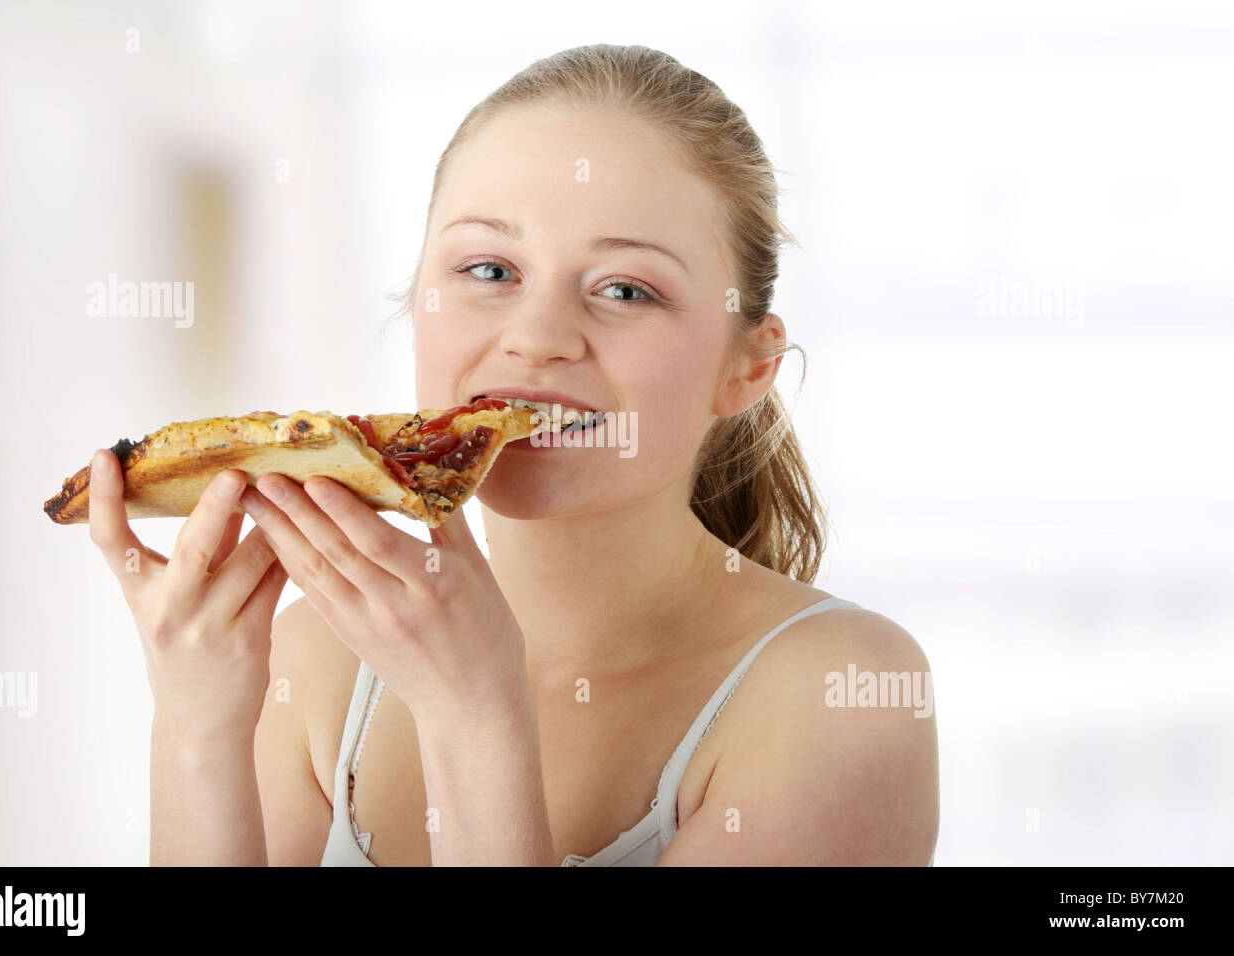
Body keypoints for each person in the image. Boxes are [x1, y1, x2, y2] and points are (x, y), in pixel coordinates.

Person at [87, 44, 939, 867]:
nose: (535, 339)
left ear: (746, 366)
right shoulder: (320, 656)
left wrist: (474, 714)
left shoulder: (844, 690)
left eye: (625, 289)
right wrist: (197, 728)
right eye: (490, 270)